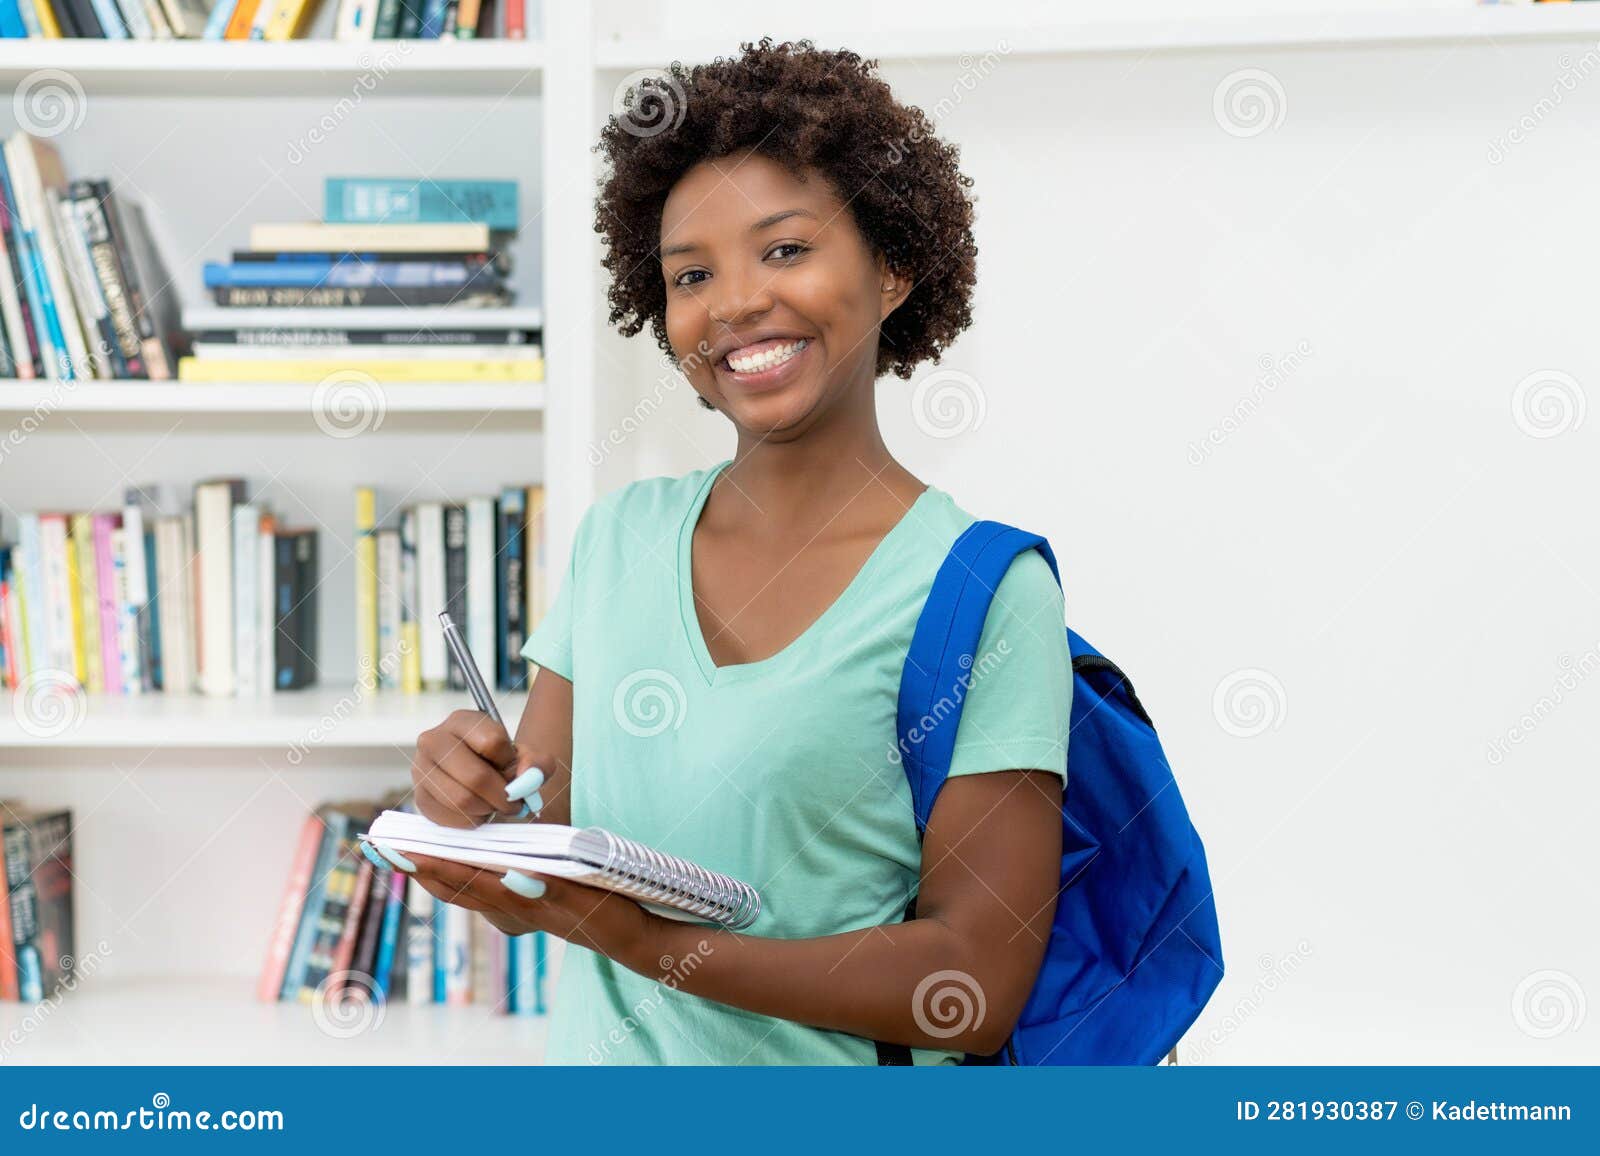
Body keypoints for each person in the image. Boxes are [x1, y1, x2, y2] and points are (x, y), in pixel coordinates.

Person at [387, 38, 1073, 1065]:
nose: (736, 301)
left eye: (786, 249)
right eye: (691, 274)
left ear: (891, 267)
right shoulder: (617, 539)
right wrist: (469, 800)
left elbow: (969, 987)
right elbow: (545, 846)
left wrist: (658, 948)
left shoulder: (984, 588)